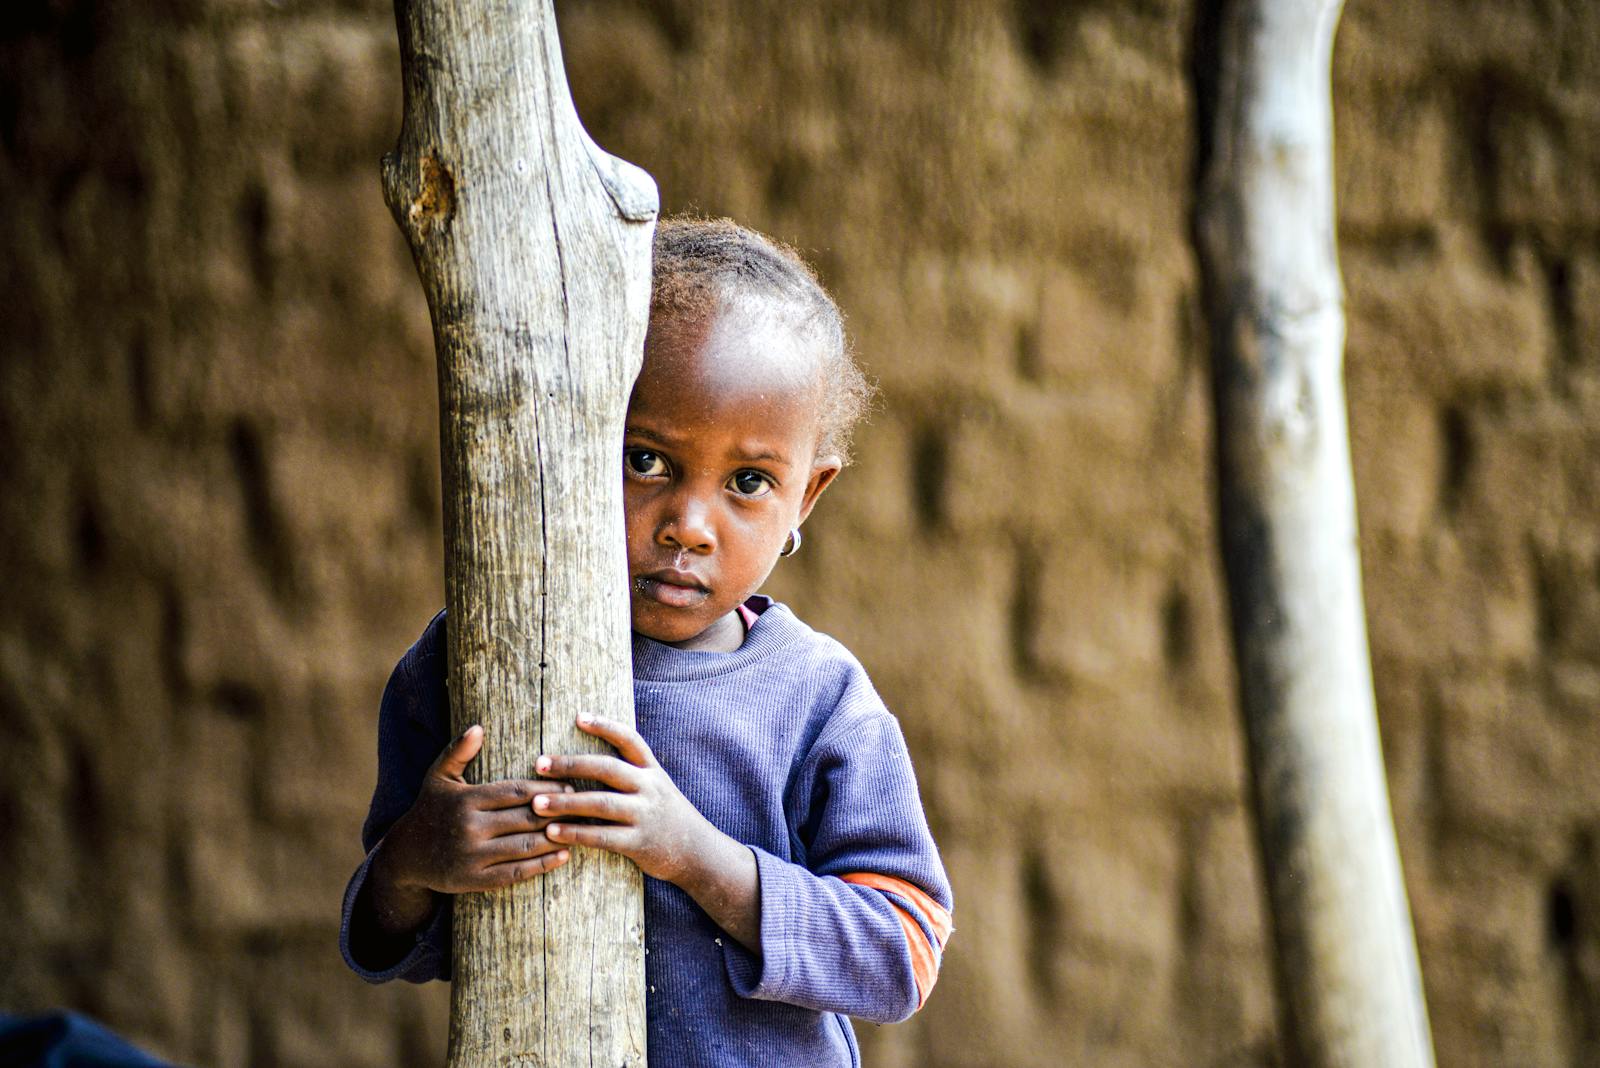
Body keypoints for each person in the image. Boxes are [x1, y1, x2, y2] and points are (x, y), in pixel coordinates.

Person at [339, 216, 953, 1066]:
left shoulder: (818, 698)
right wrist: (416, 862)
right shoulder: (472, 657)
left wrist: (699, 858)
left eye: (748, 482)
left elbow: (903, 950)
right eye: (645, 461)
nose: (689, 526)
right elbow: (383, 936)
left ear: (806, 499)